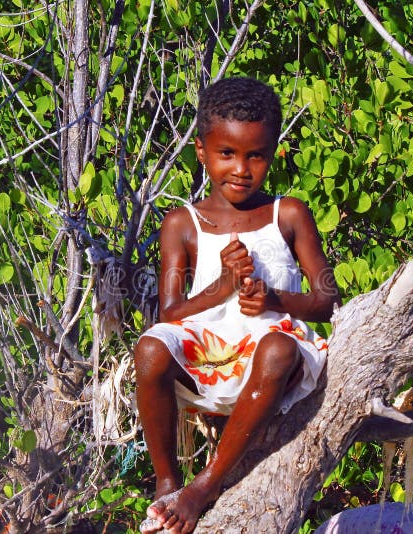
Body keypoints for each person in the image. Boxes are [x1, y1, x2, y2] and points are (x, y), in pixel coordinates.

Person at [134, 76, 339, 534]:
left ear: (272, 152)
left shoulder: (288, 214)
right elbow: (169, 315)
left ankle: (203, 487)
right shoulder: (181, 224)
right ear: (202, 152)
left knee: (278, 348)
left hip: (270, 365)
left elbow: (326, 300)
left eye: (256, 155)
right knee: (149, 348)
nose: (241, 169)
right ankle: (167, 481)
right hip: (209, 355)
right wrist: (223, 286)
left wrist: (273, 297)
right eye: (226, 154)